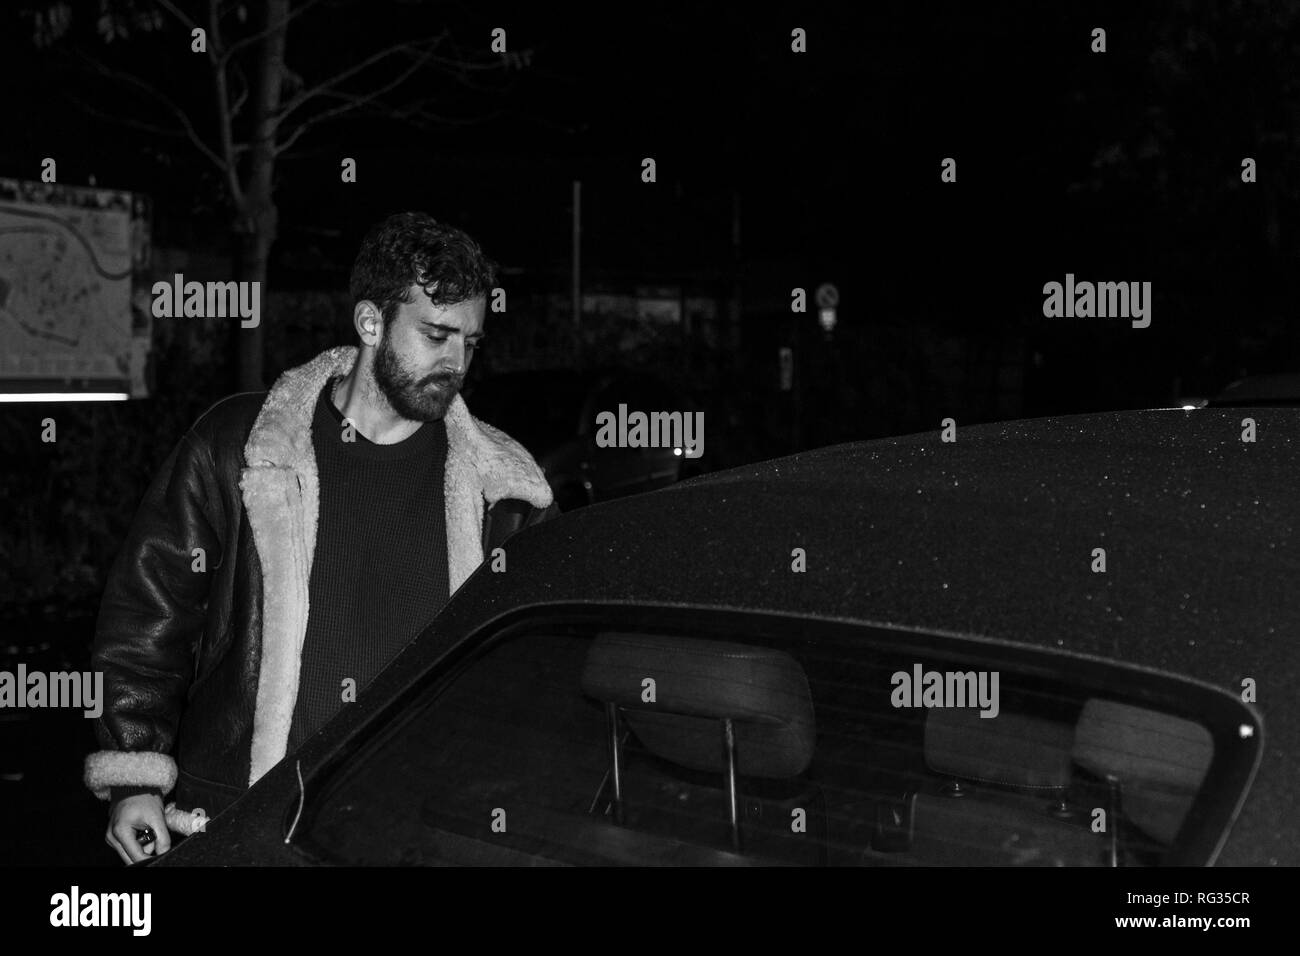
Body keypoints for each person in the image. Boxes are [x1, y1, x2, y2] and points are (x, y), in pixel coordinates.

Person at [84, 212, 557, 863]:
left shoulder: (507, 494)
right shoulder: (241, 447)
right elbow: (149, 613)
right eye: (436, 335)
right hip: (252, 823)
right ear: (370, 323)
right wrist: (134, 777)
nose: (455, 364)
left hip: (420, 832)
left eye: (470, 343)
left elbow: (537, 682)